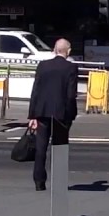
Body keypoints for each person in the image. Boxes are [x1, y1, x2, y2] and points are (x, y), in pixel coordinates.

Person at [27, 38, 79, 191]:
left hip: (42, 112)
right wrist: (71, 114)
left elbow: (35, 91)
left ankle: (39, 181)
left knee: (41, 148)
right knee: (60, 148)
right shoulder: (71, 68)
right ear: (68, 51)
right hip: (61, 114)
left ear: (55, 50)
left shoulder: (43, 66)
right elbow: (71, 95)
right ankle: (59, 181)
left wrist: (32, 116)